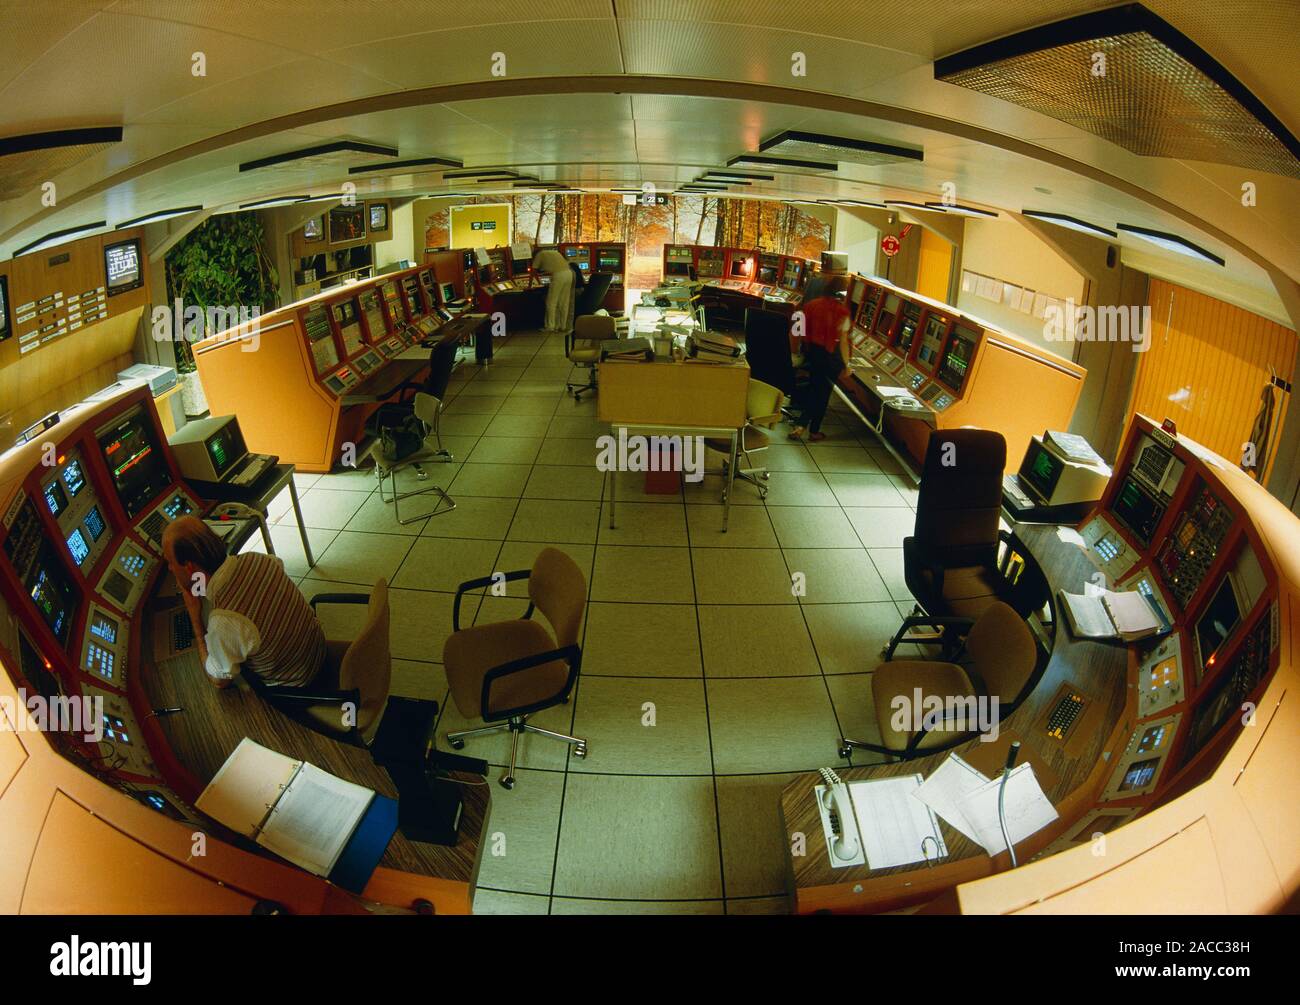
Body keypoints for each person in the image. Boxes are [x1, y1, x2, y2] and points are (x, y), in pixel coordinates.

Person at [161, 516, 326, 690]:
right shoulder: (259, 559)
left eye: (170, 562)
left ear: (188, 567)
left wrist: (195, 620)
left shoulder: (225, 621)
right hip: (318, 652)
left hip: (297, 686)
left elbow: (219, 680)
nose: (170, 569)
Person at [789, 274, 852, 442]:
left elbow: (797, 330)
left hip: (812, 353)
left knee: (814, 388)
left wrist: (795, 351)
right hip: (830, 357)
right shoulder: (842, 311)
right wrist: (847, 364)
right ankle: (812, 430)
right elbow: (844, 341)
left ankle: (800, 425)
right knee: (822, 395)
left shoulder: (810, 305)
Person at [531, 248, 575, 332]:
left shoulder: (539, 255)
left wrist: (530, 285)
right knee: (563, 302)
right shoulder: (554, 252)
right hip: (569, 274)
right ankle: (562, 326)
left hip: (558, 275)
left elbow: (533, 271)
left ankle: (550, 326)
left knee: (551, 302)